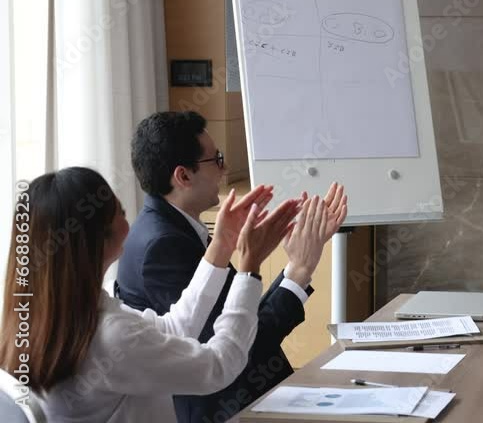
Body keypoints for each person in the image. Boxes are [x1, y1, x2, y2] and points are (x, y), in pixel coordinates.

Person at [0, 166, 330, 422]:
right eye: (120, 212)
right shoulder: (110, 334)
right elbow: (219, 366)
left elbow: (172, 328)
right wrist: (249, 267)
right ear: (98, 239)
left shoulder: (42, 319)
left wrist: (222, 244)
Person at [115, 111, 348, 422]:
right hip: (222, 408)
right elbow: (238, 349)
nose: (224, 171)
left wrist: (295, 268)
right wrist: (298, 271)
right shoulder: (163, 245)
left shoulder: (172, 228)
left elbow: (241, 318)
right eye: (217, 160)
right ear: (183, 176)